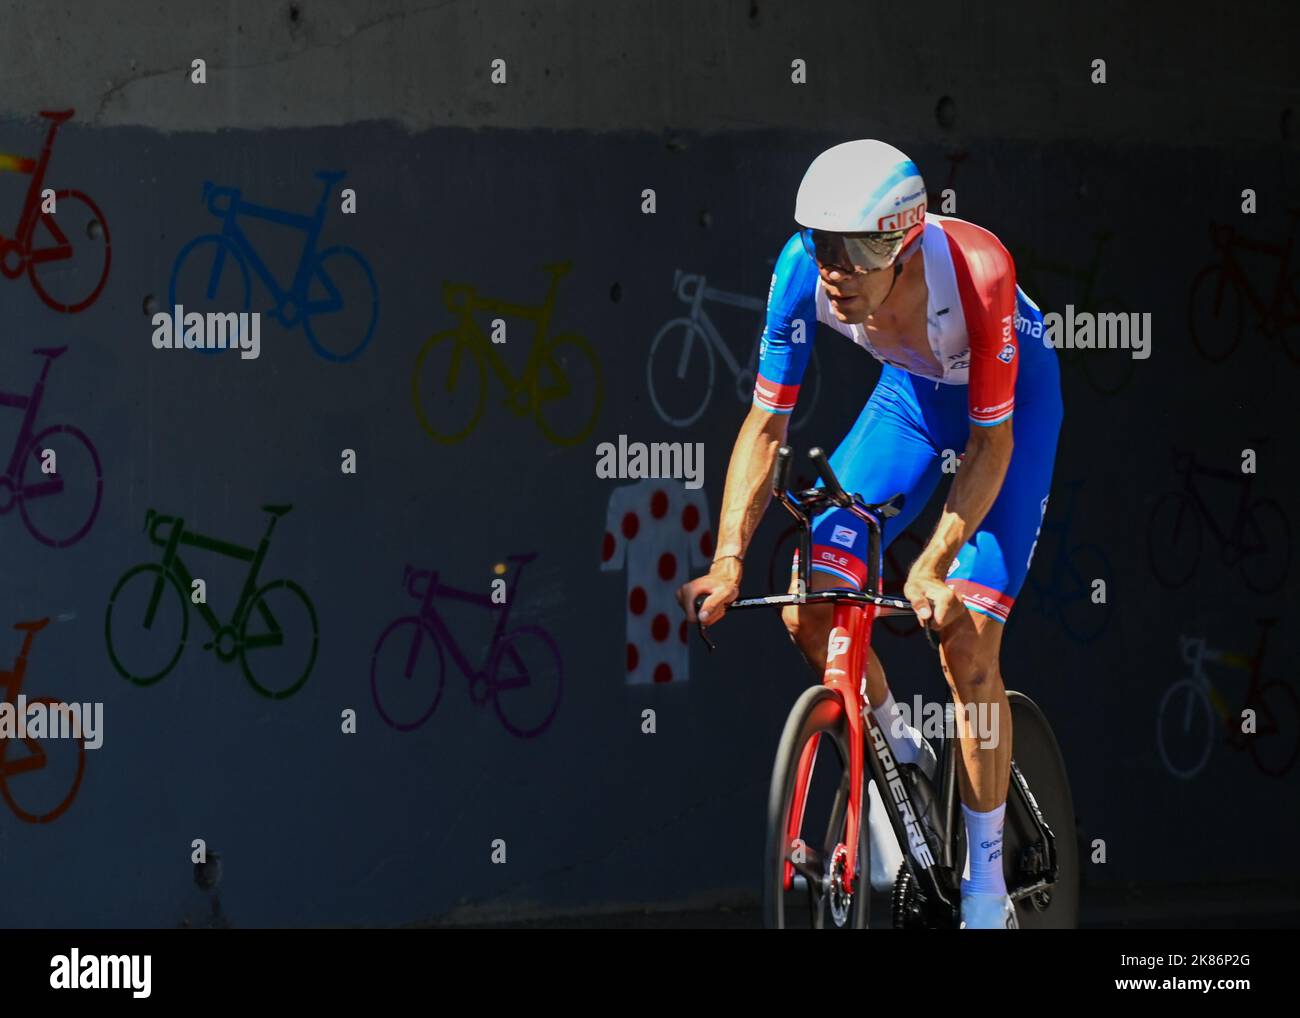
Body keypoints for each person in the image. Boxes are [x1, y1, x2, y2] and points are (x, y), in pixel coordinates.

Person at [676, 140, 1063, 929]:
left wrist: (933, 563)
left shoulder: (979, 274)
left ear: (905, 238)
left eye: (855, 250)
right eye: (822, 244)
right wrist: (726, 560)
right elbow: (766, 422)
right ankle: (902, 753)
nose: (833, 269)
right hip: (911, 406)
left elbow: (991, 446)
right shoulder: (800, 272)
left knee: (966, 642)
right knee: (808, 610)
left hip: (1008, 415)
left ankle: (987, 885)